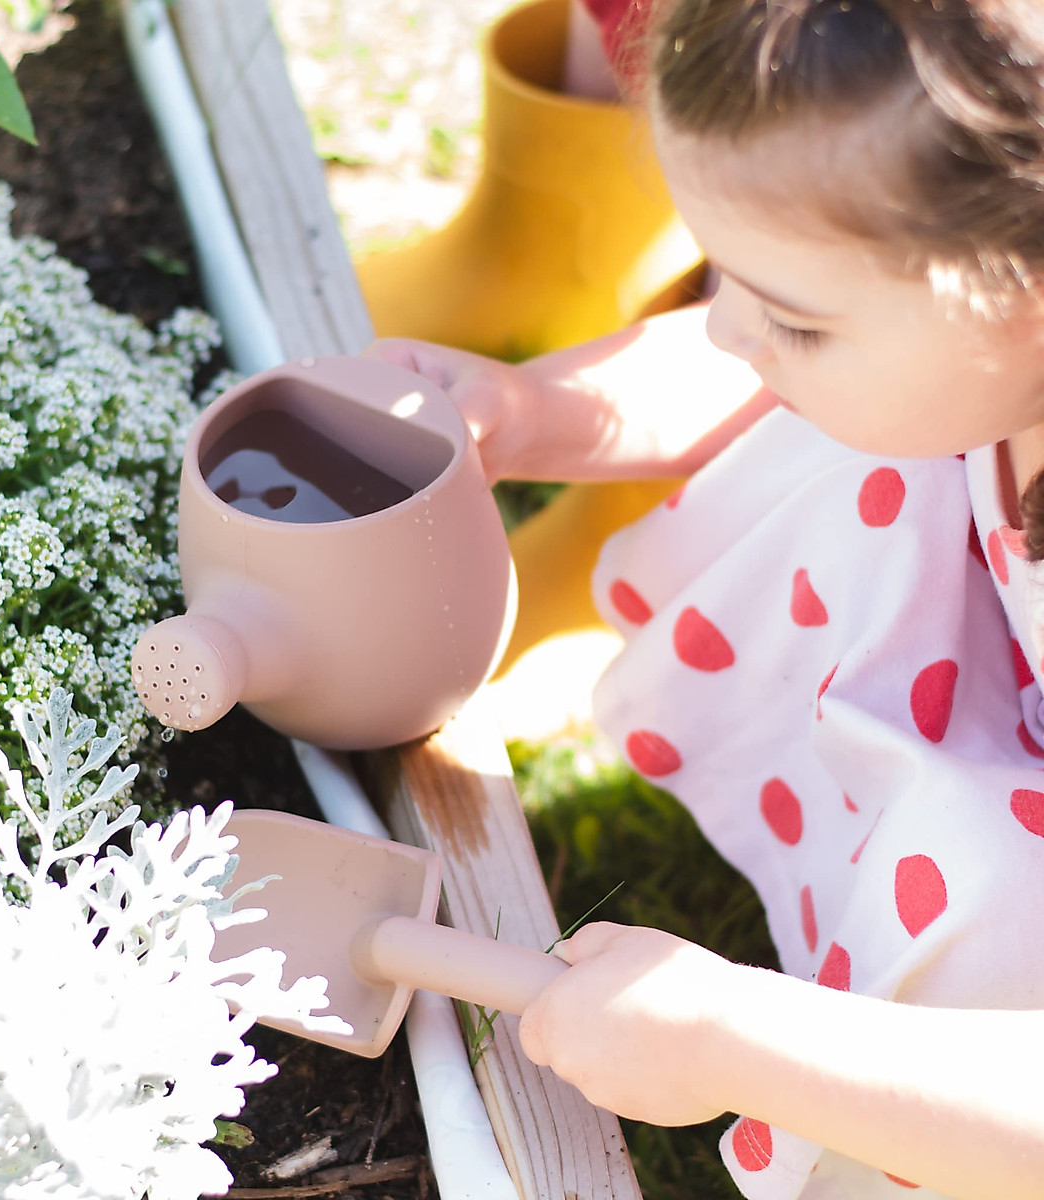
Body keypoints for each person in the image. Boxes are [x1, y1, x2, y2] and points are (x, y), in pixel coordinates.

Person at [367, 1, 1044, 1197]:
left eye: (793, 315)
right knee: (862, 452)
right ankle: (867, 899)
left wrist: (748, 1045)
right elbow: (759, 374)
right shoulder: (978, 361)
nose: (730, 328)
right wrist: (527, 412)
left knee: (990, 897)